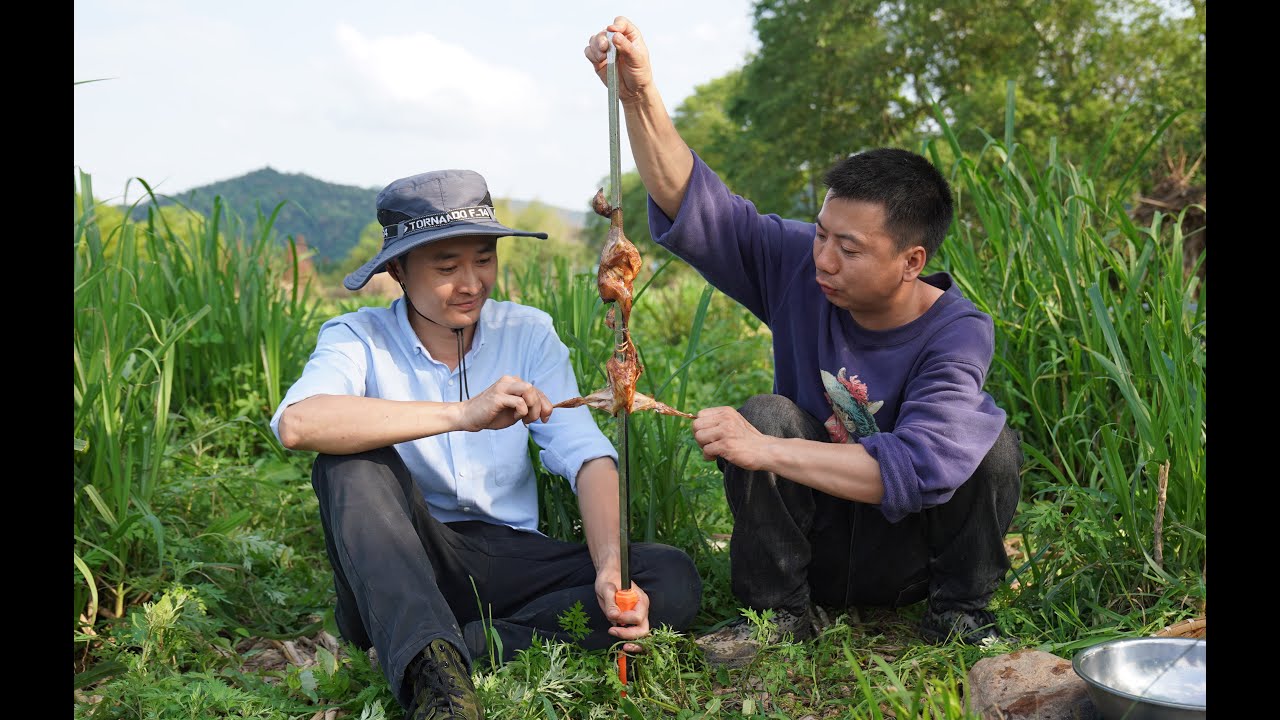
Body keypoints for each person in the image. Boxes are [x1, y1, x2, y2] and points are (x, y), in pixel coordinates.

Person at [583, 18, 1023, 668]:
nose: (824, 258)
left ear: (911, 260)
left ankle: (960, 614)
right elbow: (698, 204)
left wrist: (764, 450)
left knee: (990, 447)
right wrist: (638, 94)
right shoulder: (800, 265)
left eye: (849, 248)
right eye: (821, 233)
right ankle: (777, 615)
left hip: (909, 560)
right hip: (814, 547)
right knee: (769, 412)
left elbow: (921, 467)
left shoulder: (955, 332)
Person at [269, 168, 702, 718]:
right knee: (349, 466)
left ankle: (477, 645)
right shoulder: (358, 338)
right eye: (447, 267)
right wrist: (460, 415)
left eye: (483, 260)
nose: (471, 282)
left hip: (508, 558)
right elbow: (299, 424)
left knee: (669, 577)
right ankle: (434, 678)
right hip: (401, 560)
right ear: (398, 270)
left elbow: (586, 456)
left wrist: (610, 571)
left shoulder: (526, 332)